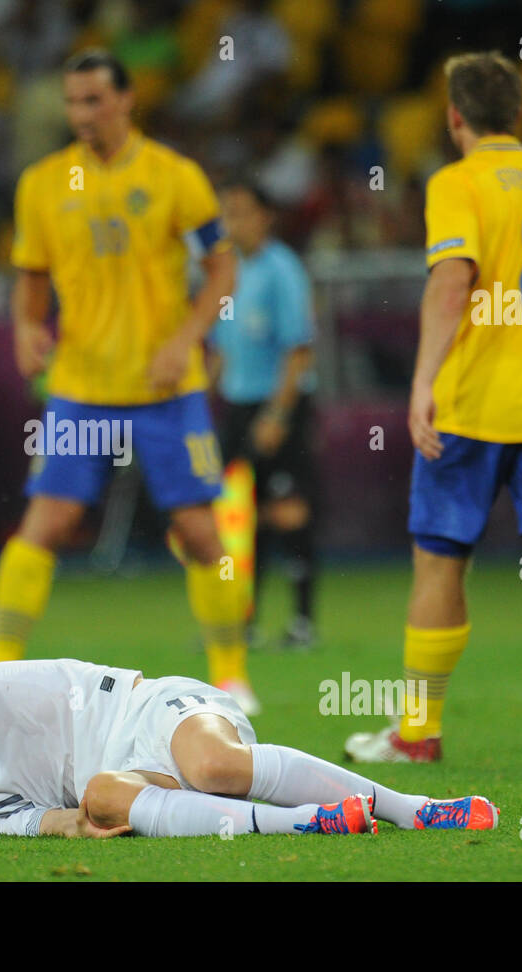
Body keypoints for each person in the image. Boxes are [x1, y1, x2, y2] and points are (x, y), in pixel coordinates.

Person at [346, 52, 522, 765]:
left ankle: (417, 731)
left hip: (472, 405)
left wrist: (422, 383)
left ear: (453, 118)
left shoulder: (457, 181)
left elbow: (452, 280)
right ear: (516, 113)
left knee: (441, 563)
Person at [0, 49, 259, 714]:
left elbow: (222, 269)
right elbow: (30, 277)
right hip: (81, 387)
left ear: (126, 100)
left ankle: (229, 676)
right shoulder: (43, 184)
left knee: (199, 532)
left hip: (167, 389)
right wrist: (25, 328)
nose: (82, 114)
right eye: (73, 102)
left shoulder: (176, 177)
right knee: (46, 522)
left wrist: (185, 339)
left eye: (94, 101)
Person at [0, 627, 499, 837]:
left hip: (150, 708)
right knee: (101, 793)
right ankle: (311, 820)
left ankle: (417, 811)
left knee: (215, 766)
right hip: (135, 773)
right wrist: (87, 820)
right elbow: (70, 823)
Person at [209, 178, 319, 650]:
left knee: (287, 511)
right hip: (237, 403)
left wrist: (276, 415)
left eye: (241, 212)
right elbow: (219, 348)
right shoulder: (228, 271)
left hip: (278, 403)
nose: (232, 222)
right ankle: (244, 622)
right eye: (226, 213)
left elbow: (298, 350)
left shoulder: (282, 269)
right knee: (237, 516)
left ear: (264, 217)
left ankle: (302, 622)